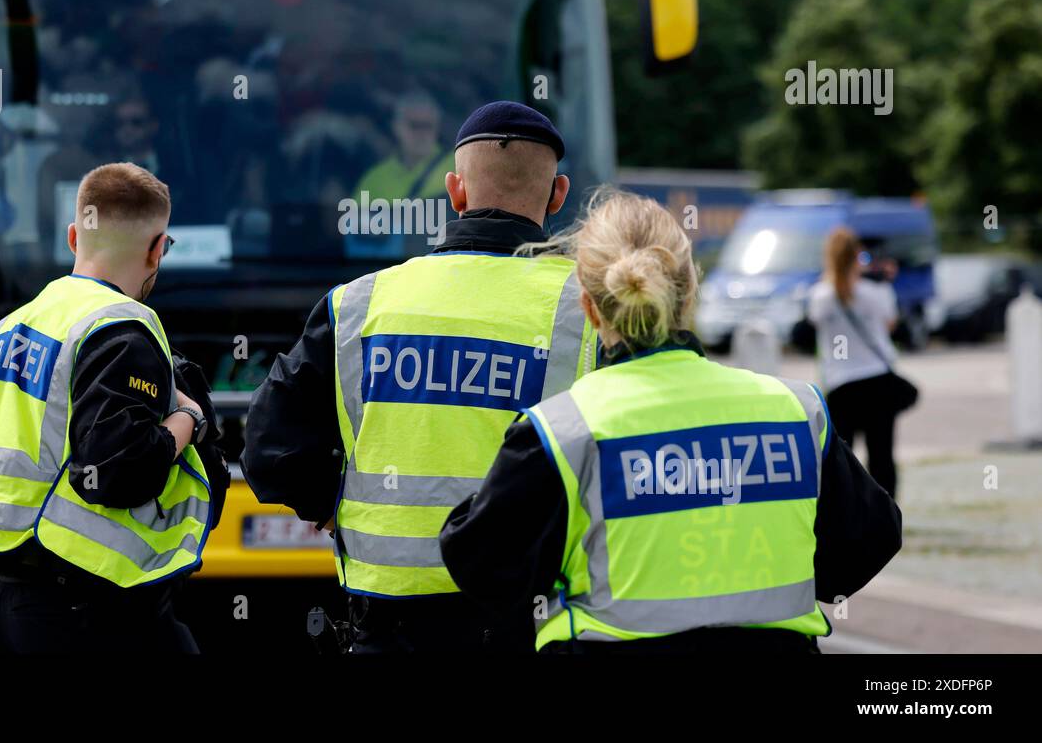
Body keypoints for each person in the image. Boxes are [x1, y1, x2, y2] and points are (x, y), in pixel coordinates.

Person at [440, 189, 901, 653]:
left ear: (587, 304)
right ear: (690, 290)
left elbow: (485, 569)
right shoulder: (796, 411)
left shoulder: (562, 431)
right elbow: (870, 540)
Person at [243, 101, 600, 653]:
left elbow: (268, 451)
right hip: (529, 621)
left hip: (390, 626)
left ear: (455, 191)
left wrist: (334, 508)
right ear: (557, 195)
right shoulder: (591, 312)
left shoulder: (359, 304)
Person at [0, 162, 229, 653]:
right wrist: (188, 418)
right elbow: (117, 472)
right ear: (158, 249)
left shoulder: (10, 328)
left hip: (13, 599)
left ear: (74, 237)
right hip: (92, 610)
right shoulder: (121, 328)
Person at [808, 226, 904, 498]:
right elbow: (891, 323)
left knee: (843, 457)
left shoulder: (820, 295)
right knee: (882, 454)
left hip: (841, 383)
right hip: (877, 379)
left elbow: (814, 323)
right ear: (857, 256)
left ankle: (847, 515)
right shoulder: (875, 292)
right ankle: (886, 514)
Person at [354, 91, 454, 202]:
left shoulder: (458, 168)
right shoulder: (374, 180)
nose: (422, 133)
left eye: (428, 126)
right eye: (414, 125)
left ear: (437, 128)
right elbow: (355, 218)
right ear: (397, 128)